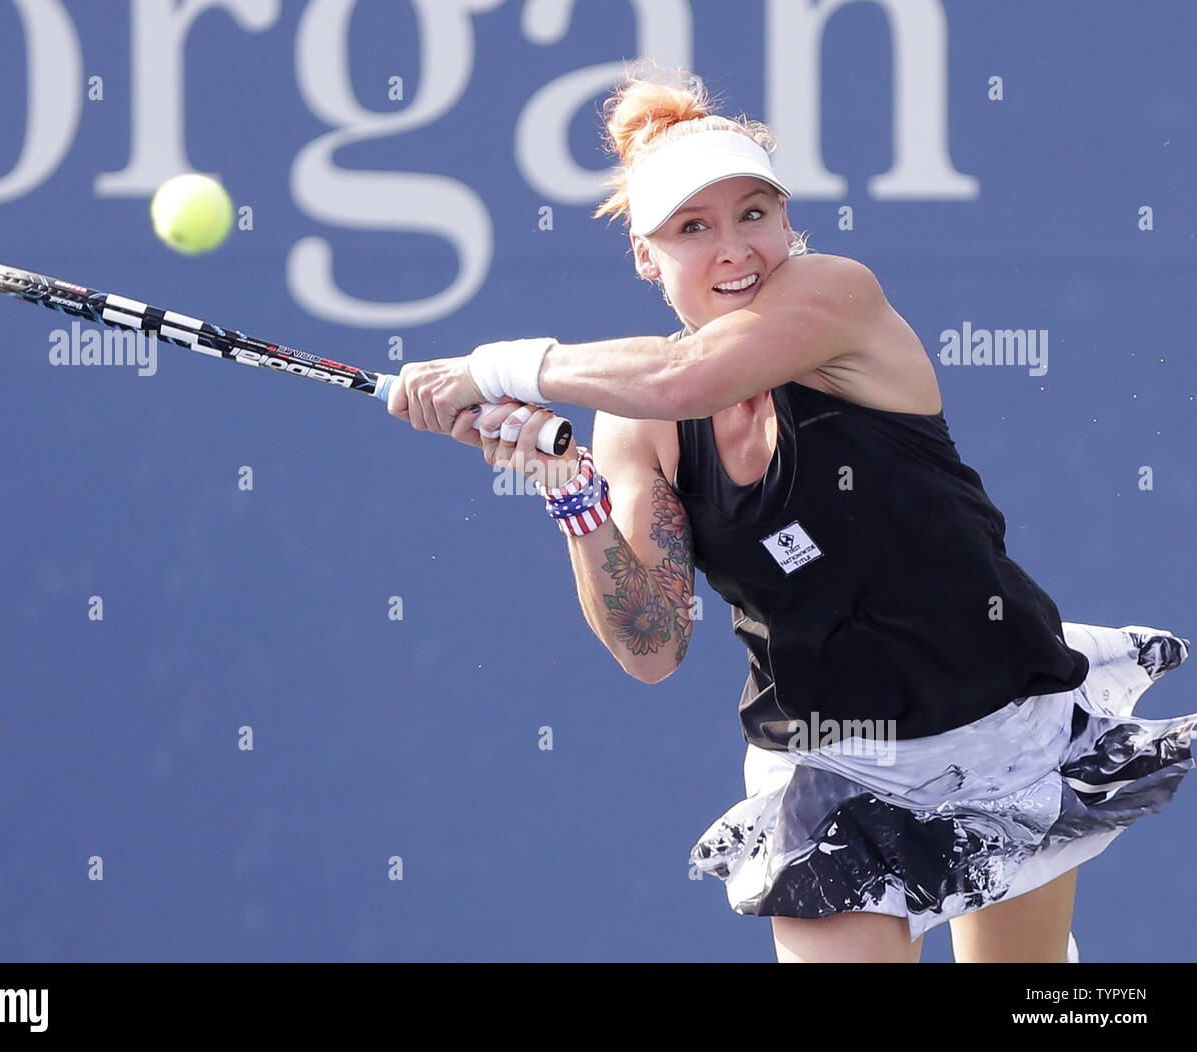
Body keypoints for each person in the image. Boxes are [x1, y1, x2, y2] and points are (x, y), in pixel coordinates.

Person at [386, 67, 1195, 963]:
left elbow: (690, 374)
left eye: (754, 214)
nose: (734, 249)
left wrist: (493, 366)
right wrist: (569, 488)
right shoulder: (640, 421)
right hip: (828, 761)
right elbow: (653, 645)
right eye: (694, 229)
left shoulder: (832, 296)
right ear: (647, 258)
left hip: (997, 717)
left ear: (785, 221)